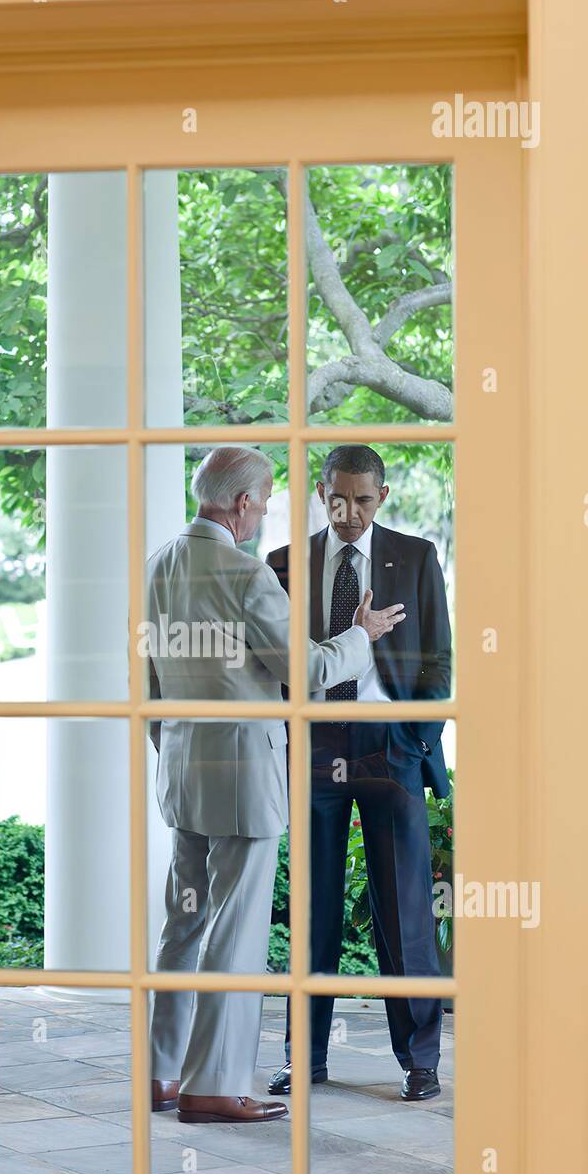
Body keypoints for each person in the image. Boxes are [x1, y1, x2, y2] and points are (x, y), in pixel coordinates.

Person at [146, 445, 405, 1123]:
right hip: (243, 774)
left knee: (183, 924)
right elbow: (309, 672)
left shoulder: (158, 565)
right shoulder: (243, 573)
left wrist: (171, 747)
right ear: (238, 502)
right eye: (262, 501)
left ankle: (161, 1073)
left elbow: (146, 681)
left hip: (180, 769)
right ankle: (214, 1086)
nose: (264, 513)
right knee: (233, 930)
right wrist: (359, 634)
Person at [266, 444, 452, 1101]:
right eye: (338, 498)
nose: (349, 512)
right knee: (310, 909)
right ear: (321, 492)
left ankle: (420, 1061)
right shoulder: (284, 565)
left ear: (382, 496)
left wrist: (411, 736)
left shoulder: (417, 556)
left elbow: (438, 665)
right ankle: (305, 1056)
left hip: (389, 746)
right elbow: (273, 665)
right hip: (315, 744)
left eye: (363, 500)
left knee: (405, 911)